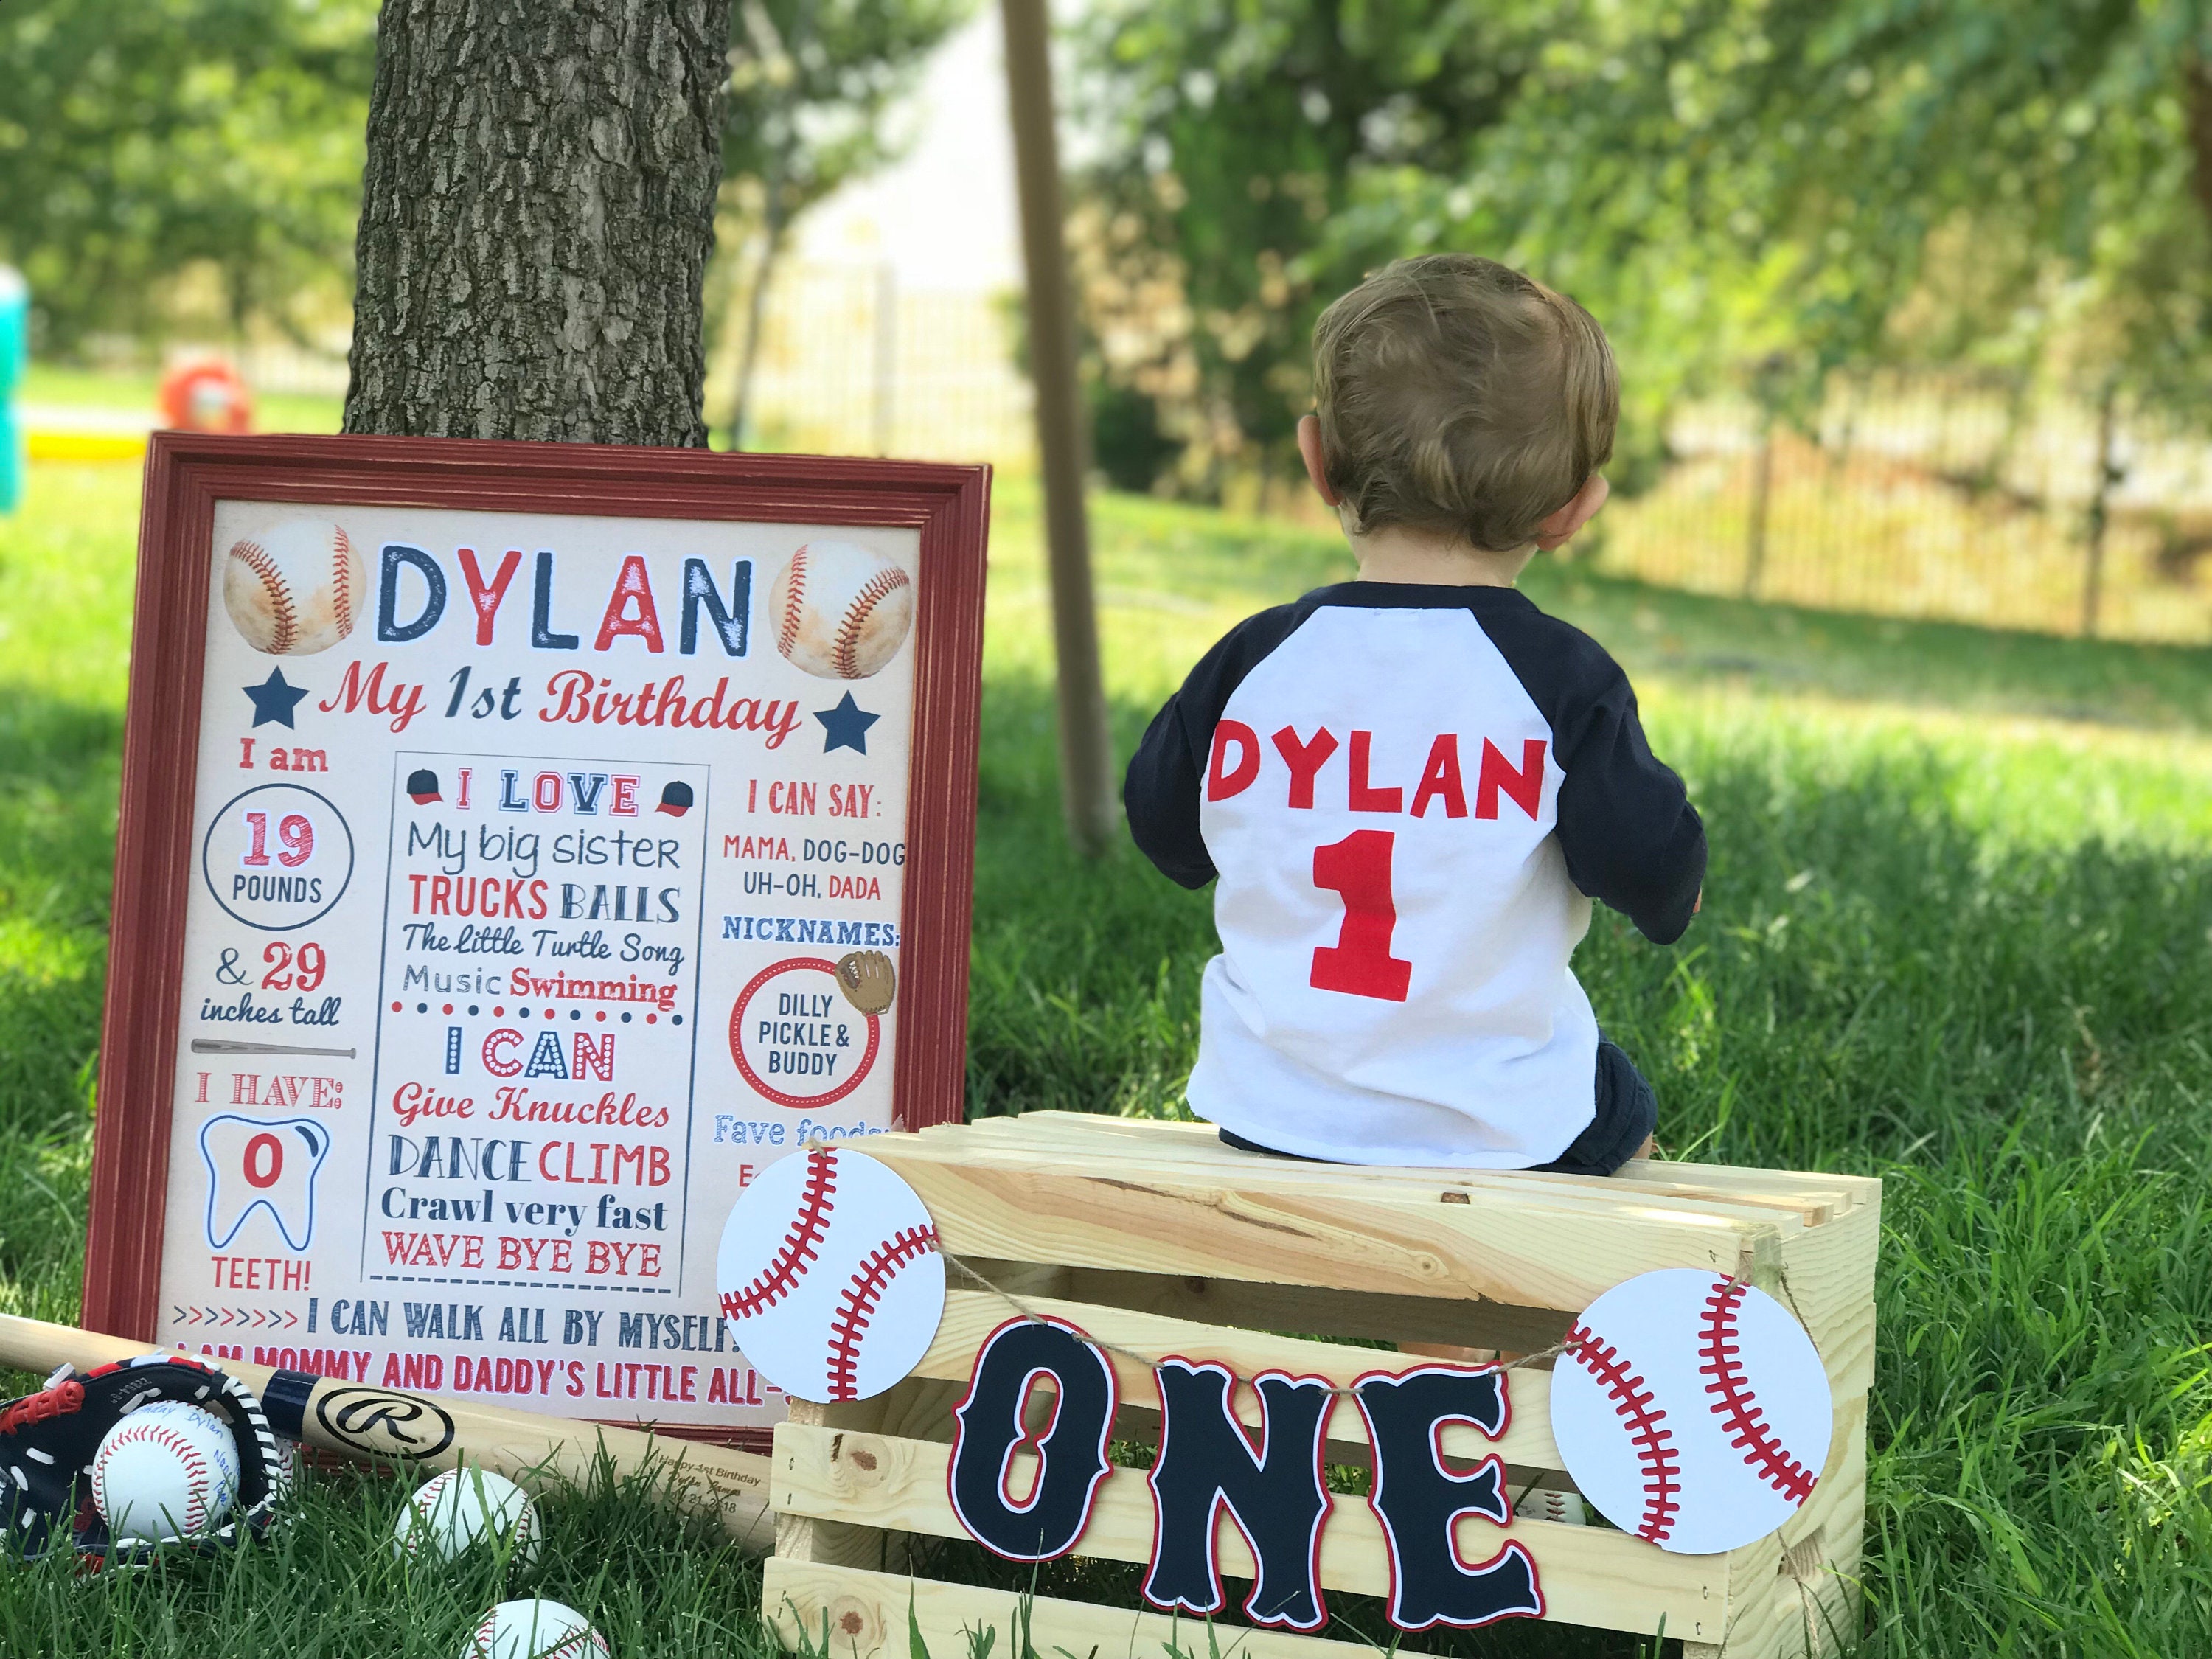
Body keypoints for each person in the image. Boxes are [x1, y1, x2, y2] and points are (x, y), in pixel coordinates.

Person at [1124, 253, 1704, 1175]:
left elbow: (1164, 829)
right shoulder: (1560, 679)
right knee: (1618, 1104)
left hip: (1274, 1108)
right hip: (1491, 1121)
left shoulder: (1252, 662)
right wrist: (1679, 893)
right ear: (1573, 511)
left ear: (1318, 462)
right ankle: (1529, 1308)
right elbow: (1644, 859)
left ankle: (1433, 1311)